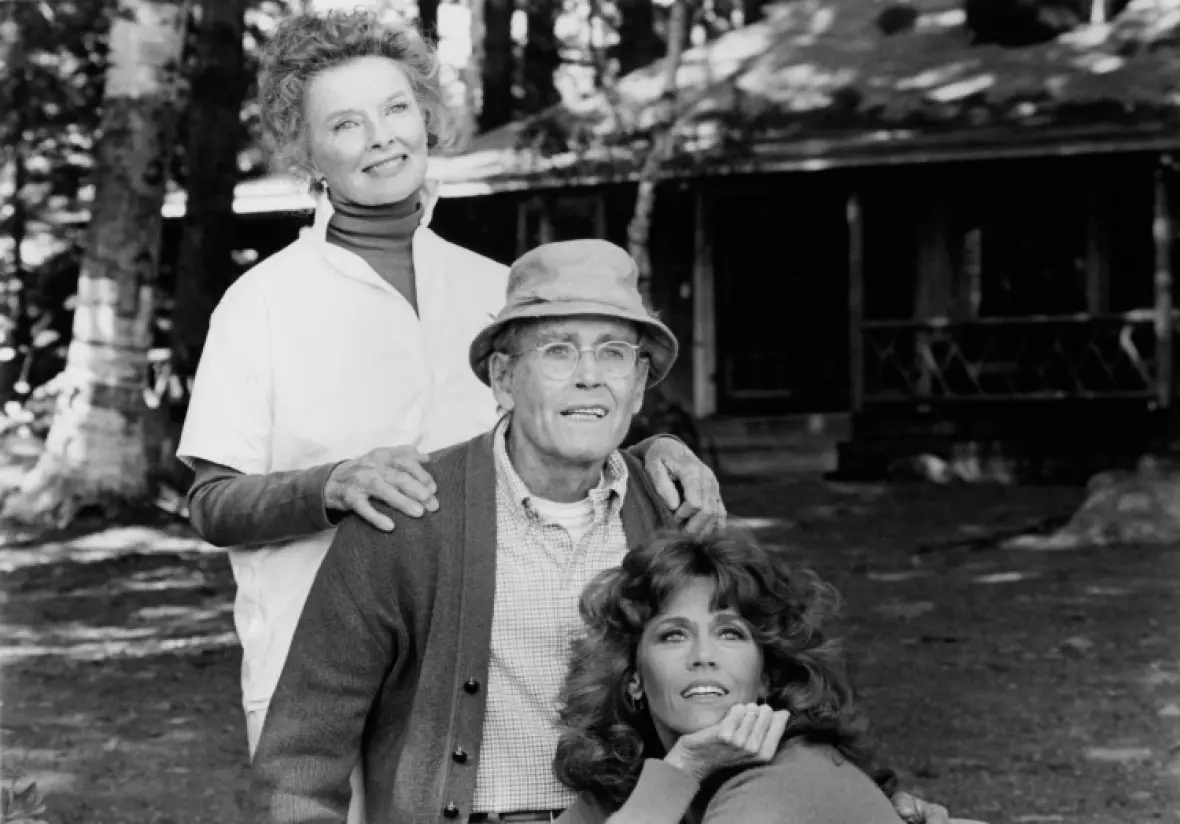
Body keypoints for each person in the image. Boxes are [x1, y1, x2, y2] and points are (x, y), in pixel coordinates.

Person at [176, 5, 723, 786]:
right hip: (317, 666)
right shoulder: (262, 302)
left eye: (397, 108)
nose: (382, 137)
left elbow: (548, 442)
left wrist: (650, 452)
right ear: (307, 151)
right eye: (346, 124)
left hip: (474, 671)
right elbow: (210, 502)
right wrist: (331, 484)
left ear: (428, 117)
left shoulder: (495, 287)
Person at [251, 241, 955, 824]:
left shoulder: (676, 511)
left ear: (640, 384)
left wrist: (879, 798)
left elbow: (764, 682)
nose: (590, 378)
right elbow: (302, 758)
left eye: (614, 353)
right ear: (502, 377)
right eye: (558, 351)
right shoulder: (409, 519)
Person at [551, 530, 987, 824]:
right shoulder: (643, 779)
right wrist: (680, 770)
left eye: (730, 633)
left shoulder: (781, 787)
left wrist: (687, 766)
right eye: (673, 635)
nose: (704, 656)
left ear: (765, 675)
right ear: (633, 677)